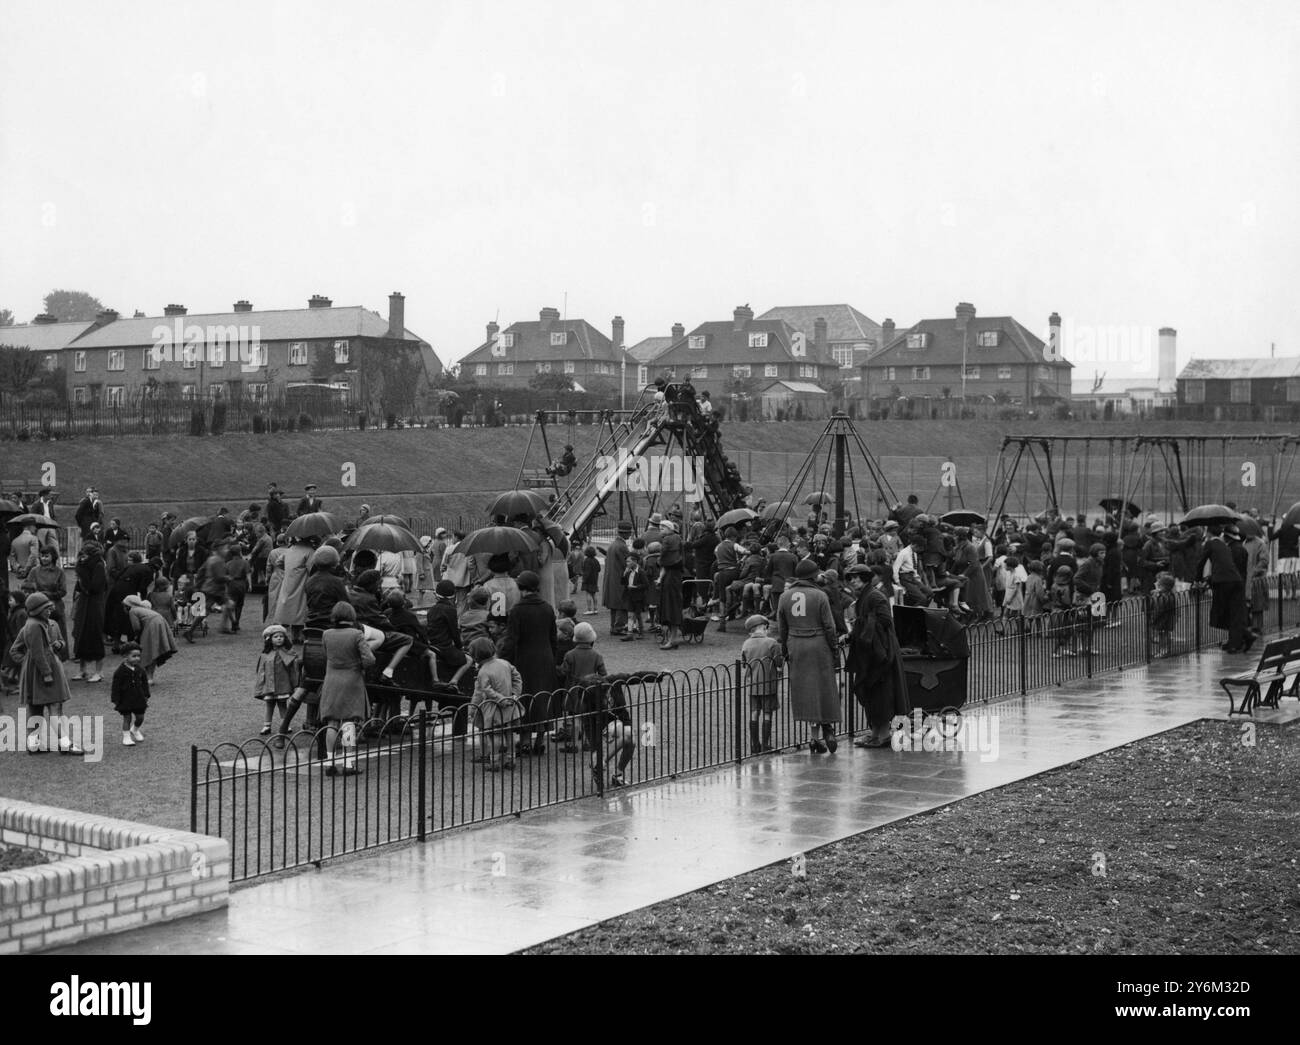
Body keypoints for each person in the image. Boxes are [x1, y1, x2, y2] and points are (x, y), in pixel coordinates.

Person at [777, 558, 841, 754]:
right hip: (819, 643)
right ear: (814, 575)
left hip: (796, 643)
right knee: (825, 688)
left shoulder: (785, 596)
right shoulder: (820, 595)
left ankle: (814, 738)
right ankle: (828, 727)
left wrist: (786, 649)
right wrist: (834, 647)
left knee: (805, 691)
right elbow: (829, 626)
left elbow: (782, 627)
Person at [846, 564, 909, 748]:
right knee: (873, 693)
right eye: (851, 578)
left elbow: (885, 620)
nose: (853, 581)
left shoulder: (875, 596)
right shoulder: (864, 596)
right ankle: (876, 733)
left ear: (865, 578)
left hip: (881, 652)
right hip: (871, 652)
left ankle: (882, 735)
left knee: (881, 694)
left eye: (856, 578)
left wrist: (861, 625)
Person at [10, 593, 81, 754]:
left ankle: (33, 744)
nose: (49, 610)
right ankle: (65, 744)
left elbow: (20, 650)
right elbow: (37, 653)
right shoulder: (35, 625)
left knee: (35, 708)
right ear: (36, 610)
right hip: (45, 672)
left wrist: (29, 665)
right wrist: (44, 671)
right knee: (55, 706)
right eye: (46, 608)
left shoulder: (34, 624)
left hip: (39, 672)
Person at [497, 571, 558, 755]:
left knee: (525, 697)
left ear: (521, 587)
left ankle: (524, 741)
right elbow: (553, 637)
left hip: (525, 658)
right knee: (542, 697)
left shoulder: (517, 610)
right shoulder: (547, 608)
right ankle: (539, 741)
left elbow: (511, 640)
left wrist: (502, 659)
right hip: (545, 657)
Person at [319, 602, 374, 775]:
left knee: (332, 722)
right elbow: (370, 659)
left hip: (332, 680)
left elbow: (325, 655)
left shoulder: (326, 634)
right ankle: (349, 764)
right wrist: (359, 666)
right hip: (352, 679)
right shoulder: (356, 634)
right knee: (349, 722)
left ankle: (329, 763)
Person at [469, 636, 522, 772]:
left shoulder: (483, 671)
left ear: (475, 655)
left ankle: (494, 762)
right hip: (511, 704)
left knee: (495, 736)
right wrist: (514, 694)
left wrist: (472, 709)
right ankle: (512, 759)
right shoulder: (504, 663)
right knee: (510, 733)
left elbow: (483, 691)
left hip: (493, 707)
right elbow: (517, 677)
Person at [1198, 525, 1248, 654]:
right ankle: (1235, 641)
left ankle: (1235, 643)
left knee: (1230, 614)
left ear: (1226, 536)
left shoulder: (1230, 549)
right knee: (1235, 614)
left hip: (1227, 584)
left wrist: (1203, 580)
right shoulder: (1239, 548)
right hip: (1238, 583)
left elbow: (1224, 569)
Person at [741, 615, 783, 754]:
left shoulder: (746, 644)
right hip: (768, 683)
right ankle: (765, 745)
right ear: (764, 627)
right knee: (767, 713)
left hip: (752, 684)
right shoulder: (772, 643)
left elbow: (743, 663)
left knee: (754, 713)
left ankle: (755, 746)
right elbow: (779, 663)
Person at [71, 540, 108, 682]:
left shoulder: (99, 565)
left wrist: (82, 575)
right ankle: (82, 669)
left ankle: (99, 671)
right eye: (81, 554)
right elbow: (79, 587)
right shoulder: (82, 566)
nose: (82, 557)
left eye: (85, 554)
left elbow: (95, 587)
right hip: (83, 602)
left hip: (95, 603)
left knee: (95, 634)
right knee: (80, 633)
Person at [254, 624, 300, 738]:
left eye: (281, 636)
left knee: (282, 705)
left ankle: (285, 725)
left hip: (283, 685)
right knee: (269, 705)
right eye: (276, 636)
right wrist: (260, 687)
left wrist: (295, 684)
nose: (279, 638)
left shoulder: (288, 653)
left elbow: (293, 671)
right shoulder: (265, 655)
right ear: (269, 639)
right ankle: (267, 726)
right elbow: (261, 672)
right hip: (269, 686)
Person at [121, 594, 177, 683]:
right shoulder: (142, 609)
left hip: (152, 626)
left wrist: (136, 638)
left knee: (148, 651)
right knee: (153, 650)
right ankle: (149, 676)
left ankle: (147, 677)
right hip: (160, 622)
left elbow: (137, 628)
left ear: (128, 606)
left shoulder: (133, 611)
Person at [111, 642, 150, 747]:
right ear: (125, 656)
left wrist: (146, 694)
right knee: (127, 718)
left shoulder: (140, 670)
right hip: (125, 699)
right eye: (134, 656)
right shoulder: (120, 672)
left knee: (140, 717)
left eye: (138, 656)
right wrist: (115, 699)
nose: (137, 658)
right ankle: (126, 737)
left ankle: (135, 730)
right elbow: (115, 686)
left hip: (139, 698)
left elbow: (145, 683)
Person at [657, 518, 685, 649]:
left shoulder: (669, 540)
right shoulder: (677, 538)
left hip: (671, 577)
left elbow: (666, 559)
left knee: (670, 607)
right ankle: (673, 637)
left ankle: (672, 639)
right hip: (674, 576)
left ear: (669, 529)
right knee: (673, 606)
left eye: (662, 528)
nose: (660, 530)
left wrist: (660, 561)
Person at [602, 520, 631, 635]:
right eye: (629, 533)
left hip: (612, 578)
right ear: (624, 533)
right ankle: (619, 627)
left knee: (614, 605)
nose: (630, 535)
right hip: (620, 579)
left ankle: (614, 626)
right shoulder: (622, 546)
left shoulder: (613, 544)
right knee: (622, 603)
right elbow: (627, 564)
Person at [1148, 573, 1178, 657]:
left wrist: (1153, 618)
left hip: (1162, 620)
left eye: (1160, 585)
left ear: (1164, 586)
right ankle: (1164, 650)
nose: (1158, 587)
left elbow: (1159, 609)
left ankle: (1164, 651)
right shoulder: (1170, 595)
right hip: (1167, 619)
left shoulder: (1163, 598)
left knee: (1163, 636)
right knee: (1164, 635)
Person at [580, 546, 601, 614]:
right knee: (594, 594)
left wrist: (584, 579)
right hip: (595, 579)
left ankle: (589, 609)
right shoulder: (596, 560)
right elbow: (599, 569)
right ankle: (595, 609)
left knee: (588, 593)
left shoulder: (586, 560)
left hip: (588, 580)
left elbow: (587, 572)